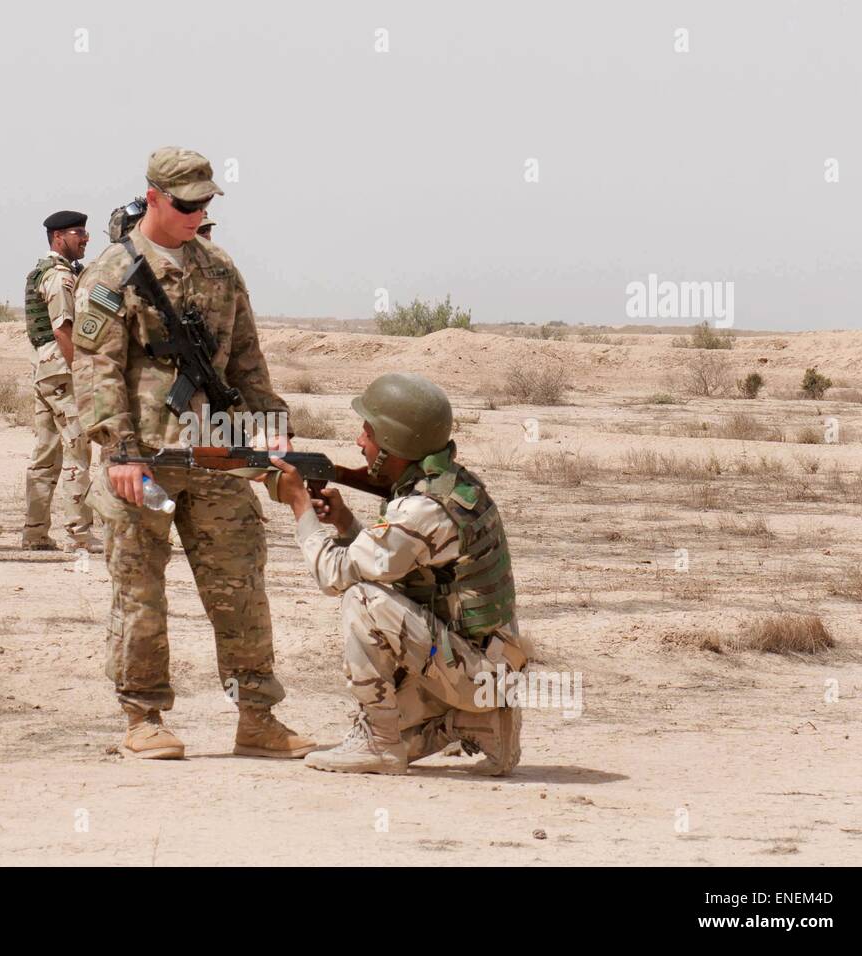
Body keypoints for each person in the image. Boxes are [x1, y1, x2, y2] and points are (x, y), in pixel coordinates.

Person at [71, 147, 313, 760]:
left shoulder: (221, 270)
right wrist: (121, 451)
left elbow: (249, 360)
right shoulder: (109, 274)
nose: (197, 213)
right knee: (140, 588)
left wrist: (270, 430)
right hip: (145, 461)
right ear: (153, 197)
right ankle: (143, 715)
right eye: (185, 204)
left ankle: (257, 716)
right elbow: (97, 370)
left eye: (205, 203)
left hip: (219, 455)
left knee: (240, 584)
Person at [271, 372, 529, 776]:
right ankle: (483, 722)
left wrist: (300, 506)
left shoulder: (421, 509)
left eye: (368, 431)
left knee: (363, 600)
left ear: (392, 443)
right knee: (404, 724)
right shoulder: (452, 486)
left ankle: (378, 743)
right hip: (489, 666)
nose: (359, 440)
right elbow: (400, 564)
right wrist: (345, 523)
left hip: (472, 669)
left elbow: (335, 574)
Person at [22, 210, 99, 553]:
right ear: (58, 237)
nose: (85, 238)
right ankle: (80, 534)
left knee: (45, 454)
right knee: (78, 449)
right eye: (77, 233)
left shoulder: (54, 272)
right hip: (63, 372)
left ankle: (35, 533)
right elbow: (62, 328)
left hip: (45, 370)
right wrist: (81, 373)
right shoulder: (59, 277)